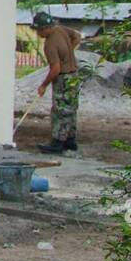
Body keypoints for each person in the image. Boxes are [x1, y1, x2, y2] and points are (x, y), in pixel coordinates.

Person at [34, 11, 84, 154]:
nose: (38, 34)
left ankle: (57, 142)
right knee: (71, 109)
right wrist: (68, 53)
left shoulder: (50, 44)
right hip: (74, 75)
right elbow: (77, 36)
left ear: (44, 28)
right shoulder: (61, 29)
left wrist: (44, 84)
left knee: (60, 110)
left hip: (64, 78)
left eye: (38, 30)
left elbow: (55, 69)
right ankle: (70, 140)